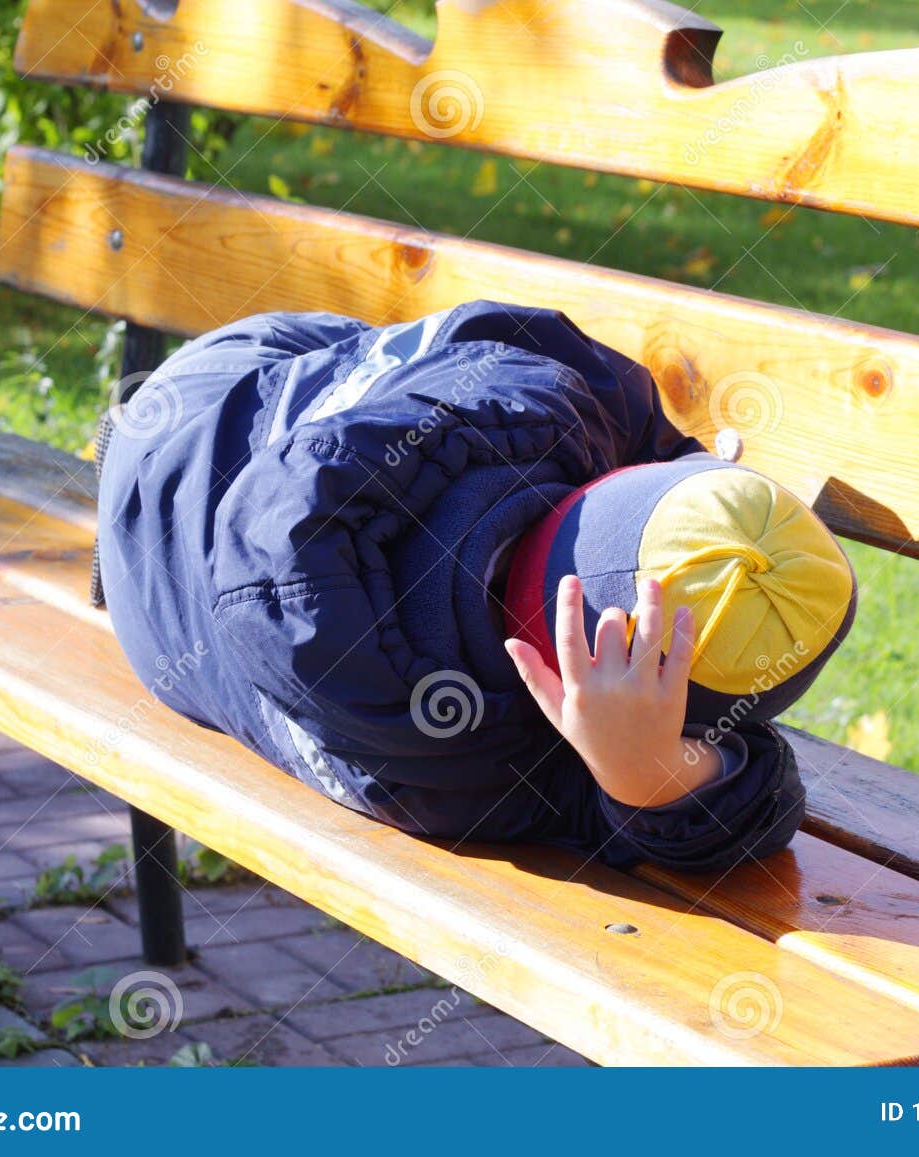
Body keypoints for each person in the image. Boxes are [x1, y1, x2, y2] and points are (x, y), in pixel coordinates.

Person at [97, 301, 857, 873]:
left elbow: (502, 341)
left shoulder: (549, 403)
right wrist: (648, 775)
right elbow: (758, 806)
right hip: (160, 576)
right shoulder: (500, 778)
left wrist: (691, 478)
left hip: (196, 405)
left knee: (365, 361)